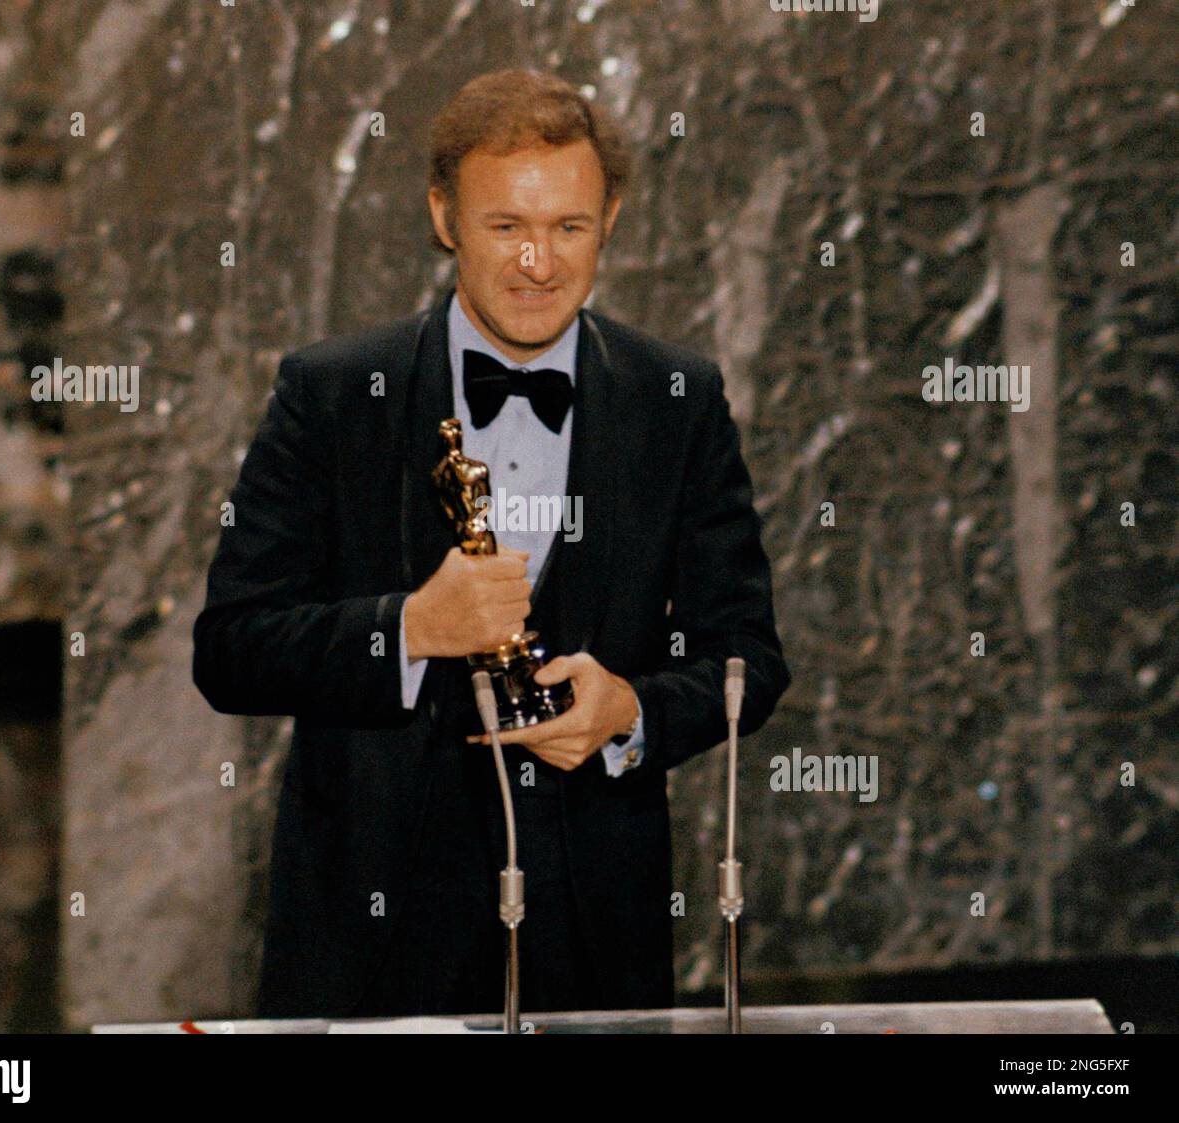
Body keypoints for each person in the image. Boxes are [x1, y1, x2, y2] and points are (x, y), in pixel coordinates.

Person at [192, 68, 791, 1020]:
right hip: (369, 946)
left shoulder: (678, 399)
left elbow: (748, 658)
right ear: (444, 218)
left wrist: (632, 709)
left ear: (612, 219)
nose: (537, 264)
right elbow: (229, 649)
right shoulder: (333, 393)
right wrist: (408, 628)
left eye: (568, 228)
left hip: (596, 944)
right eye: (506, 226)